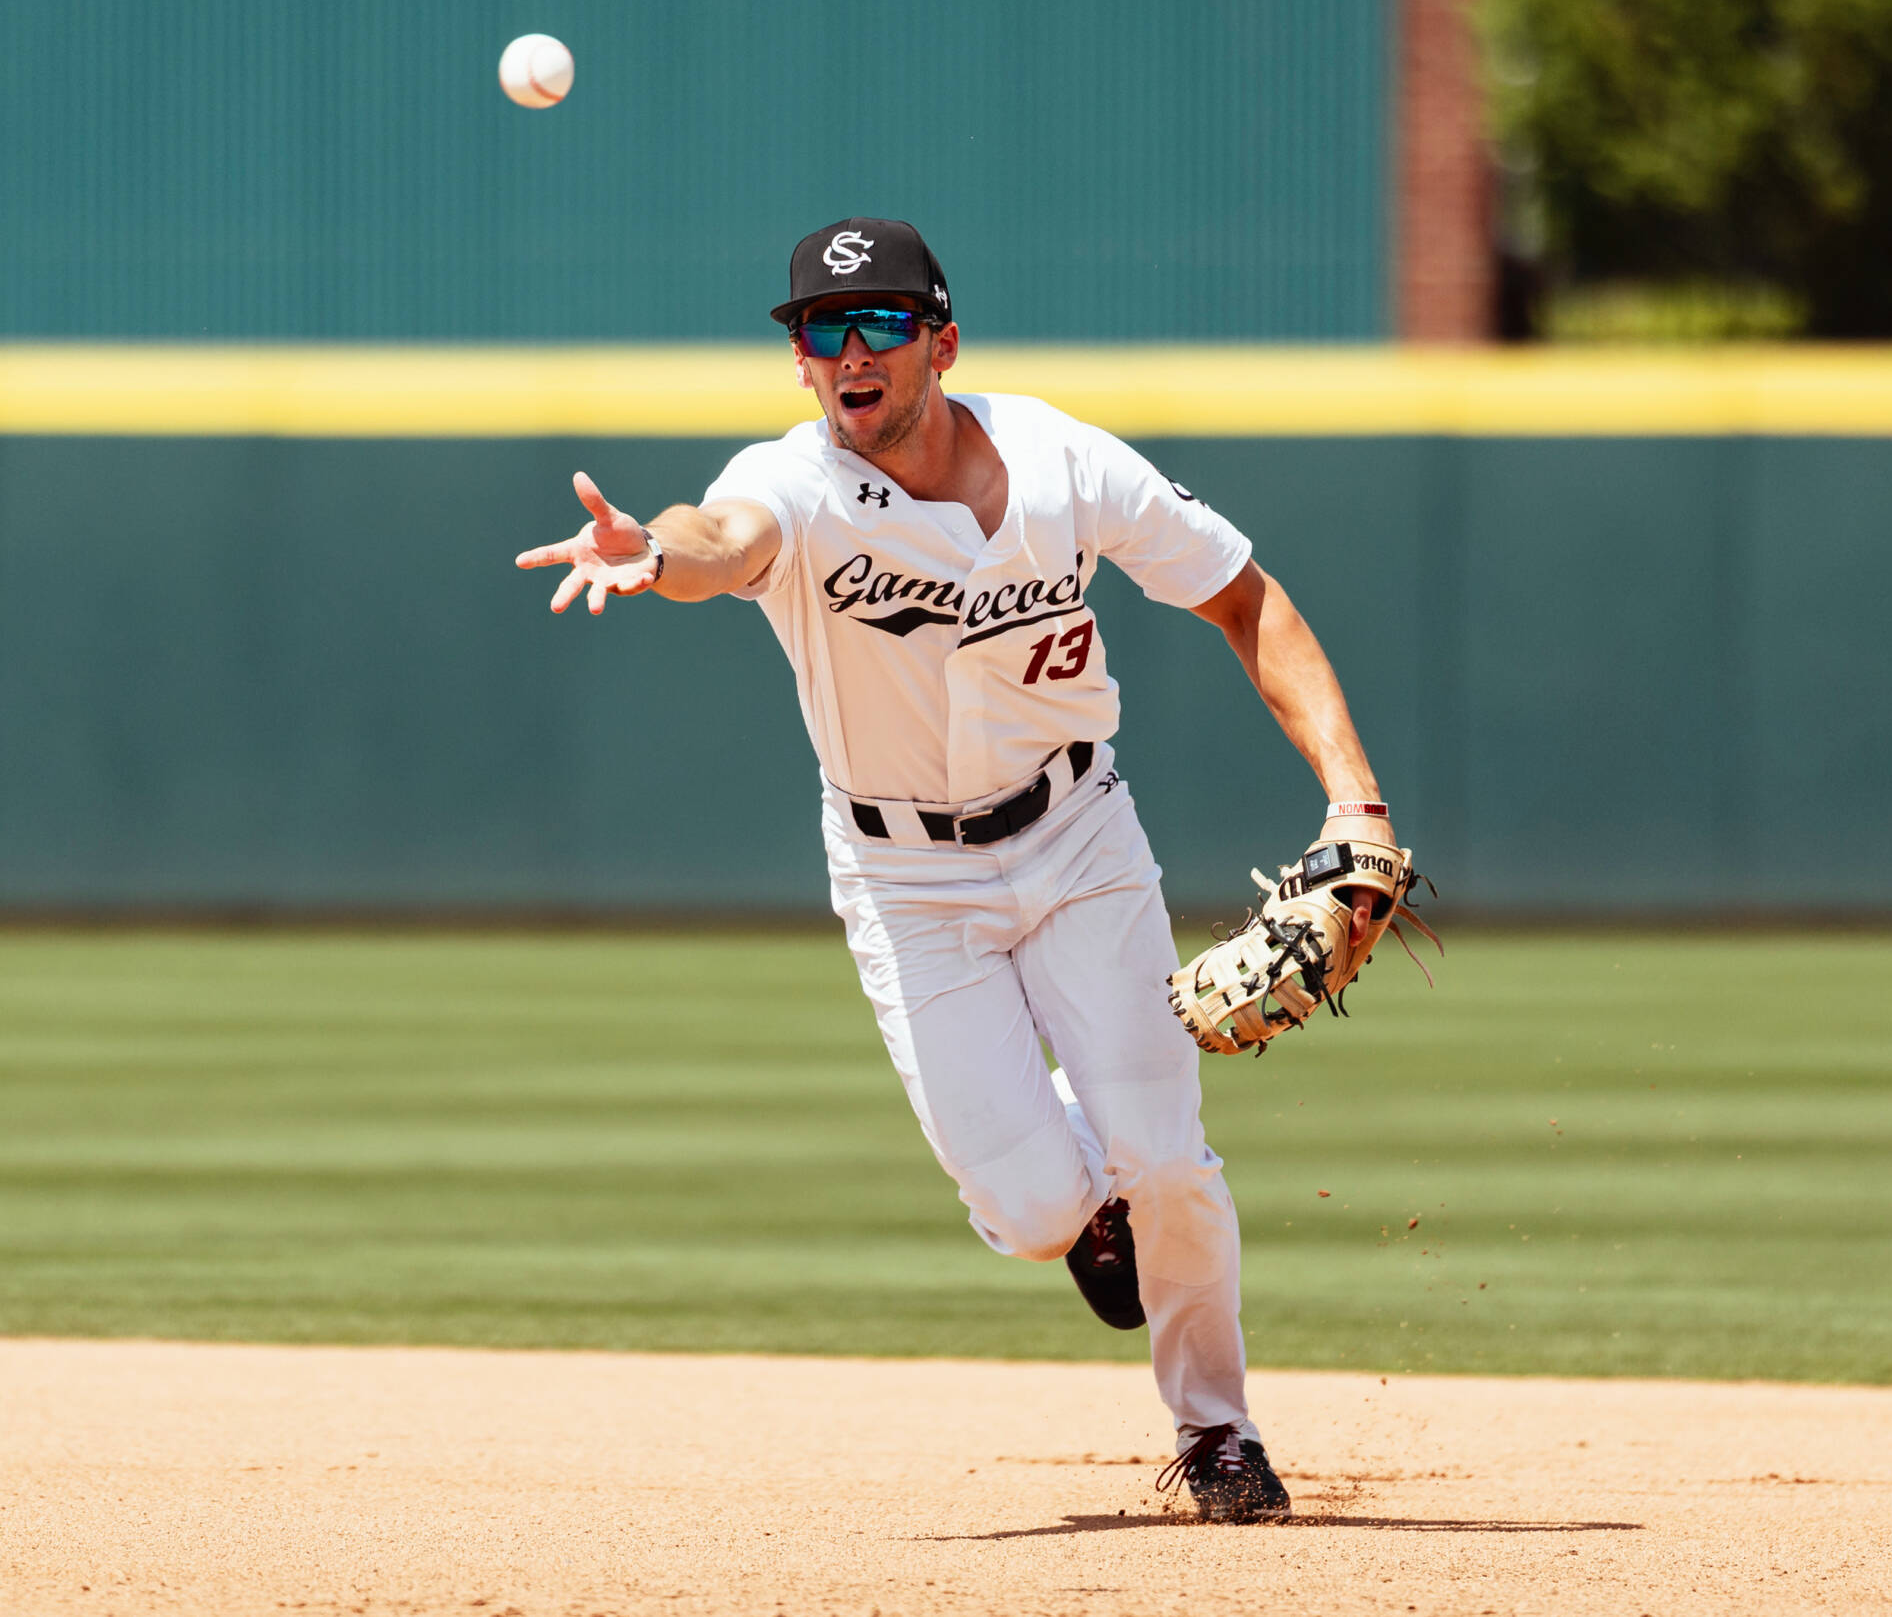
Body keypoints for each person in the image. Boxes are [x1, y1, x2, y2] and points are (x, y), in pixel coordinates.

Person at [513, 218, 1393, 1522]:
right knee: (1037, 1204)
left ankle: (1217, 1428)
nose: (851, 350)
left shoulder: (1061, 464)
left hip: (1082, 834)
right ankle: (1076, 1197)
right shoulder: (796, 488)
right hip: (905, 881)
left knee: (1171, 1159)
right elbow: (722, 534)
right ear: (802, 363)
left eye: (879, 323)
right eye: (823, 327)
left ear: (942, 341)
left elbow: (1243, 598)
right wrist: (658, 554)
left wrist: (1355, 797)